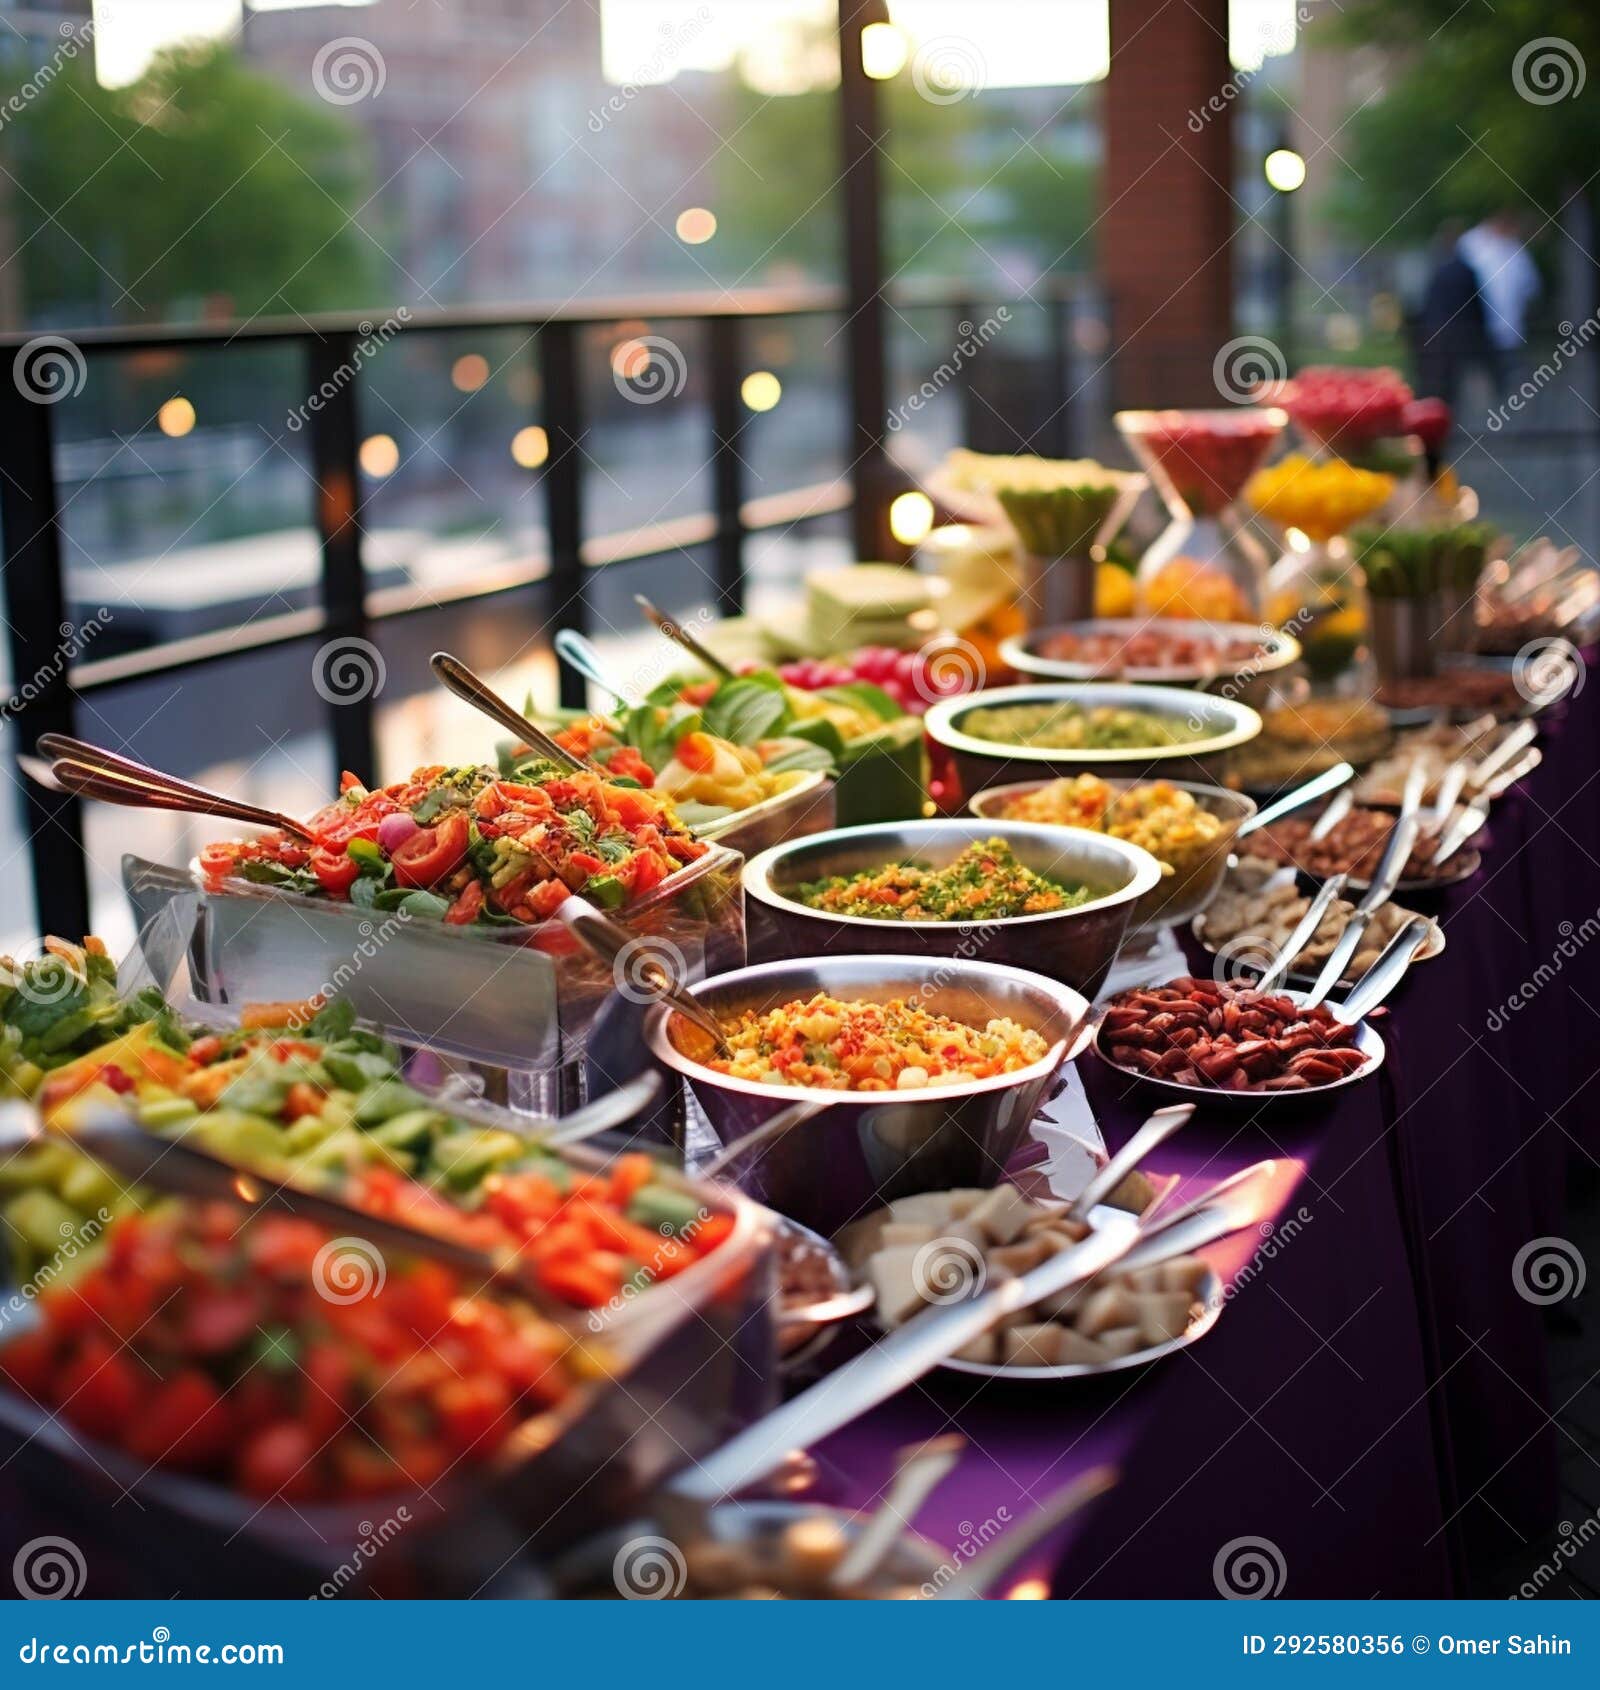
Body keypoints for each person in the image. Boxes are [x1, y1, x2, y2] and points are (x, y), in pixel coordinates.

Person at [1456, 210, 1541, 394]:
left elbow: (1530, 286)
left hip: (1508, 328)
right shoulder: (1470, 243)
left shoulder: (1514, 248)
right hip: (1477, 328)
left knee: (1507, 377)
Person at [1412, 218, 1489, 416]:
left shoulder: (1437, 269)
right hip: (1462, 336)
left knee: (1437, 383)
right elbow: (1477, 306)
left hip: (1437, 335)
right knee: (1454, 384)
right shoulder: (1467, 270)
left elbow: (1428, 304)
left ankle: (1439, 418)